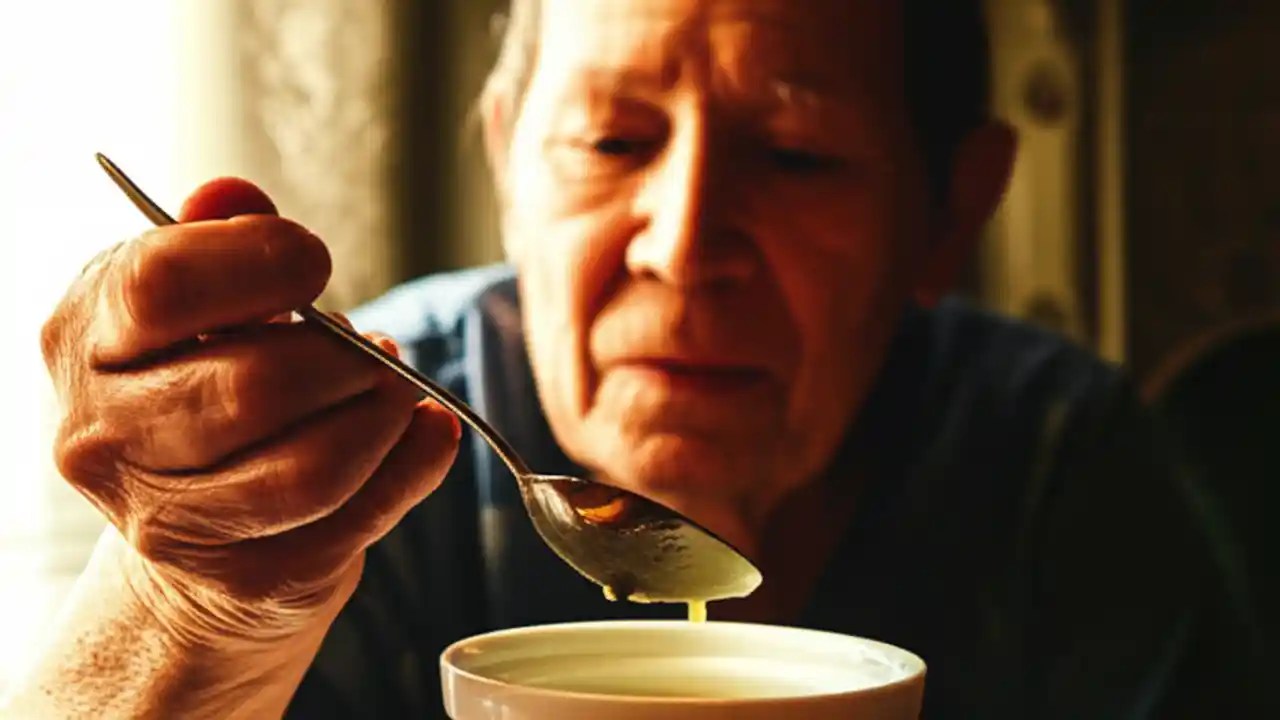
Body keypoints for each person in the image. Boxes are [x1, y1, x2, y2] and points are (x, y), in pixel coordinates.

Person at [0, 1, 1249, 717]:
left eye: (798, 155)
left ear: (948, 214)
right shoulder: (347, 467)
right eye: (607, 141)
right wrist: (184, 607)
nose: (684, 242)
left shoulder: (1048, 466)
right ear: (505, 164)